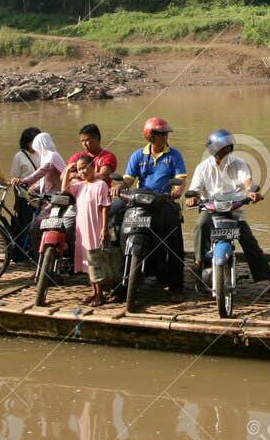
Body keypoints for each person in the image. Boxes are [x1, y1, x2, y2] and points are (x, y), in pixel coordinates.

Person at [186, 129, 270, 296]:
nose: (226, 152)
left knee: (250, 243)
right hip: (211, 211)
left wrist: (251, 192)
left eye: (228, 148)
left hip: (234, 210)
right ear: (214, 150)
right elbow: (195, 190)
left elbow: (247, 181)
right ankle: (198, 263)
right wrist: (193, 198)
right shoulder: (202, 168)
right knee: (200, 226)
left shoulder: (239, 163)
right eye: (222, 149)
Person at [117, 116, 189, 299]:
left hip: (164, 201)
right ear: (150, 136)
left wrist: (177, 189)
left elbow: (181, 178)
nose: (166, 137)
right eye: (162, 134)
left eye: (166, 134)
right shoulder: (138, 155)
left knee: (173, 241)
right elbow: (129, 179)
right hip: (141, 200)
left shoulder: (174, 155)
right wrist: (120, 185)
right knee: (121, 228)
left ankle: (176, 287)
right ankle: (122, 283)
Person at [65, 154, 111, 305]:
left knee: (95, 259)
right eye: (79, 169)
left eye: (85, 167)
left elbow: (105, 207)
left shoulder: (101, 185)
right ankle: (94, 291)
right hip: (82, 228)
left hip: (95, 226)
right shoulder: (80, 186)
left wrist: (104, 228)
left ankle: (101, 294)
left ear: (94, 167)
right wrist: (67, 171)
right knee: (86, 260)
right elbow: (64, 189)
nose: (82, 172)